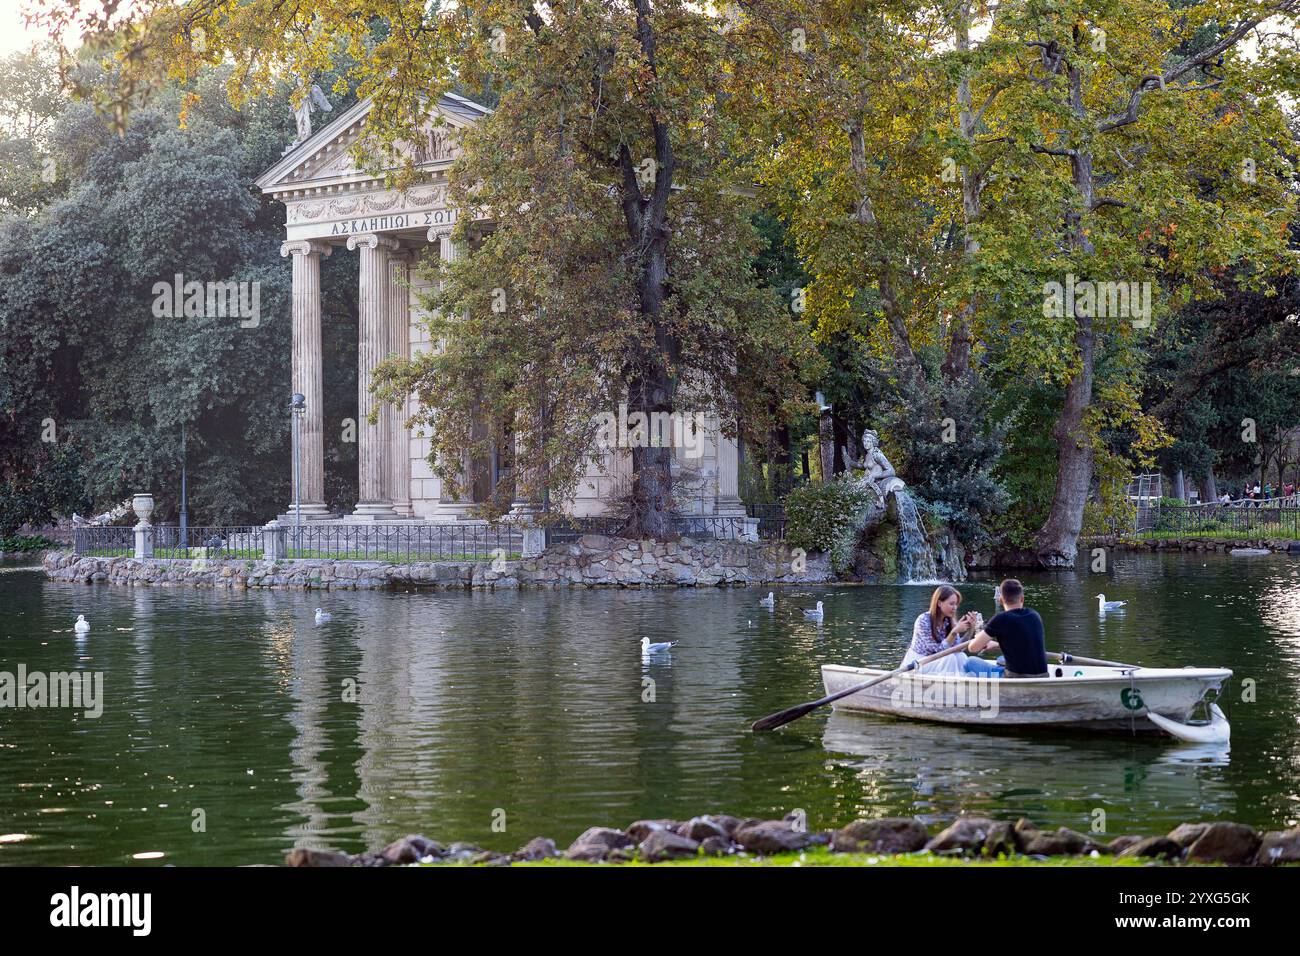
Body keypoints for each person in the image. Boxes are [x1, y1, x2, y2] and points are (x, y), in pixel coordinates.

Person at [902, 586, 1002, 677]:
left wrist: (970, 629)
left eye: (956, 604)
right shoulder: (924, 620)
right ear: (939, 603)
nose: (955, 608)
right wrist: (954, 632)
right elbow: (938, 651)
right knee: (949, 659)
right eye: (951, 604)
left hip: (937, 661)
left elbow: (957, 649)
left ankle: (965, 684)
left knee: (960, 656)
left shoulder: (949, 621)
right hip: (919, 662)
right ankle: (955, 687)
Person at [968, 578, 1048, 678]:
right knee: (1001, 659)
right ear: (1022, 598)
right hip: (1043, 676)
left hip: (1015, 678)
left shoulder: (1000, 619)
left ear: (1001, 600)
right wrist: (997, 645)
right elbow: (1022, 645)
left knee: (970, 661)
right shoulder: (1034, 615)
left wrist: (977, 634)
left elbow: (973, 648)